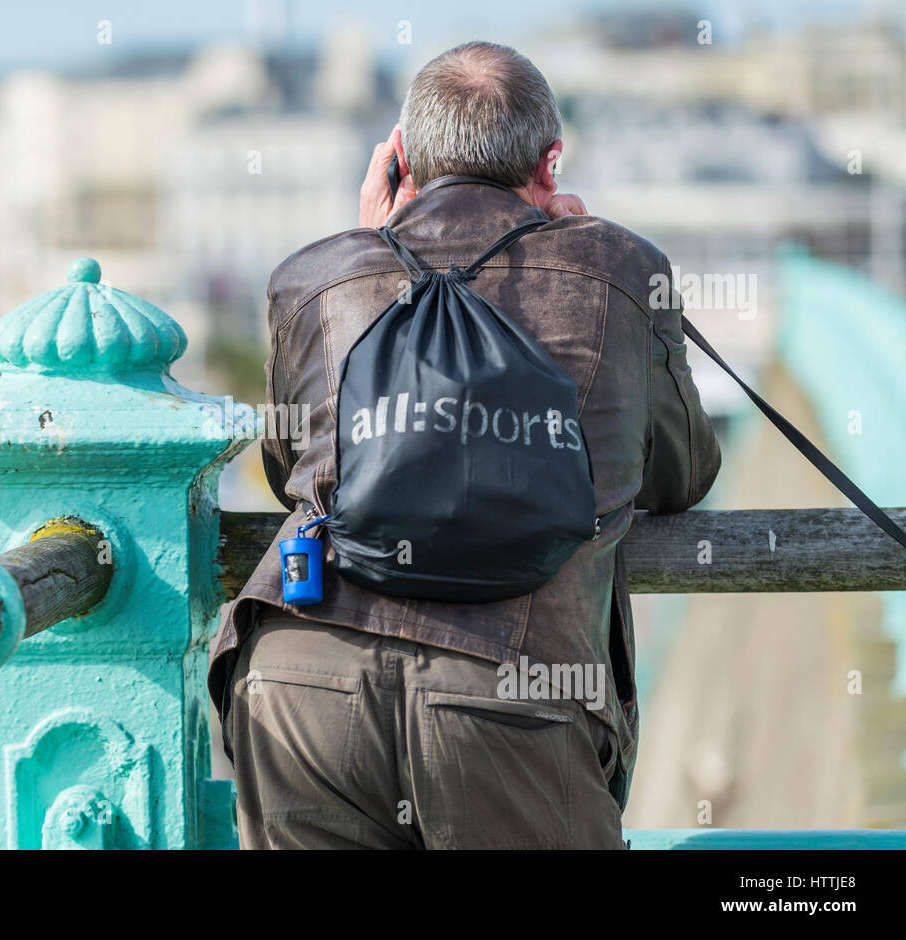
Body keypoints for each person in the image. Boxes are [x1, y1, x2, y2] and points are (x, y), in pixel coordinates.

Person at [207, 40, 722, 849]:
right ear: (550, 163)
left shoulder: (316, 276)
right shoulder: (622, 268)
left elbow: (288, 472)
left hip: (296, 678)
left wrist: (371, 243)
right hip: (514, 689)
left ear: (398, 160)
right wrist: (590, 260)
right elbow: (684, 474)